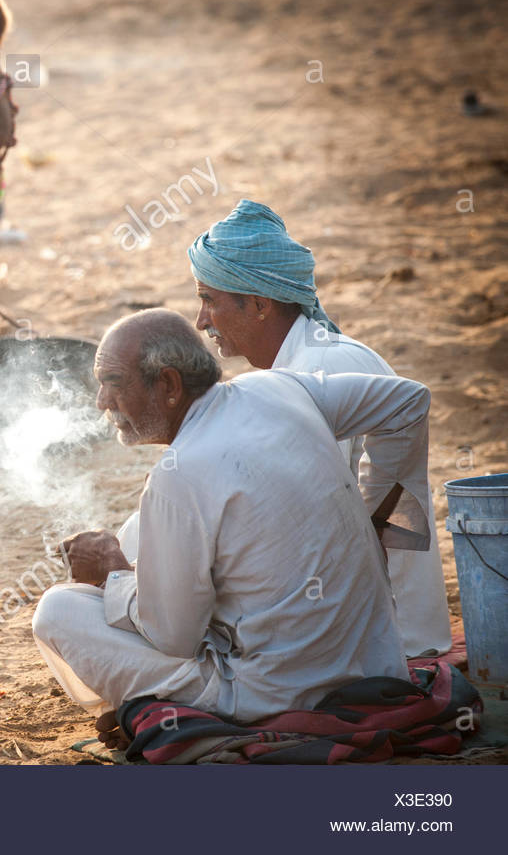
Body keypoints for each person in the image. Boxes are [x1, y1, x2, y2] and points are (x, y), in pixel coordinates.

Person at [32, 310, 429, 746]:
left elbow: (175, 638)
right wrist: (379, 522)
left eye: (114, 382)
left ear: (168, 385)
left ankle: (145, 706)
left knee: (59, 611)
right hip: (378, 664)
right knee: (137, 530)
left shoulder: (178, 476)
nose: (102, 401)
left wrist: (112, 573)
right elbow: (409, 402)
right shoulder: (279, 386)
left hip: (280, 693)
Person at [185, 198, 450, 657]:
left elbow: (350, 519)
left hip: (381, 636)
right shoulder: (300, 364)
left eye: (210, 299)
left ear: (259, 304)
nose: (201, 320)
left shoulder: (327, 366)